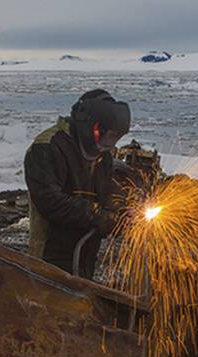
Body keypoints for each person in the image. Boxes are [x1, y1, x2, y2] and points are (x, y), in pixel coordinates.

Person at [24, 89, 131, 278]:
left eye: (115, 138)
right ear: (88, 123)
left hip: (85, 257)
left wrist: (120, 210)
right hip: (50, 256)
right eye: (105, 136)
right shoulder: (47, 147)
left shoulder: (102, 156)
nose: (109, 144)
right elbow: (50, 202)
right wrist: (98, 216)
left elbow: (106, 193)